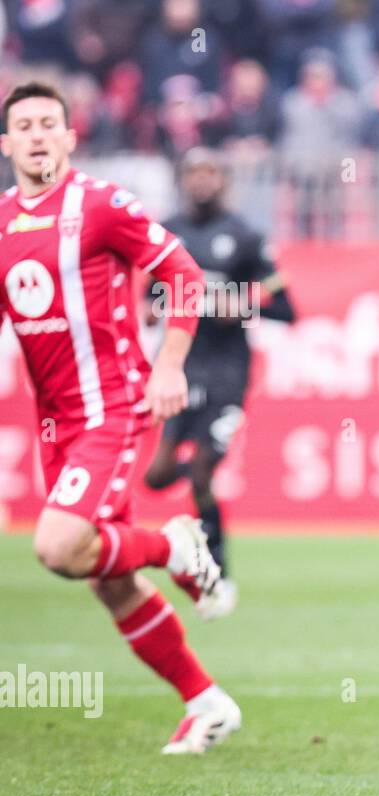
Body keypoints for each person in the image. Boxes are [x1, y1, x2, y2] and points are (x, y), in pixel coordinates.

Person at [0, 81, 241, 754]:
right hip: (56, 425)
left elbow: (183, 275)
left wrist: (169, 364)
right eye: (25, 125)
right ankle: (206, 702)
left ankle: (175, 546)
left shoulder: (102, 205)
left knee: (55, 547)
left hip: (113, 406)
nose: (39, 134)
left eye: (51, 122)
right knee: (107, 580)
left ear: (71, 137)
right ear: (7, 143)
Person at [143, 147, 297, 617]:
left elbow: (287, 309)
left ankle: (219, 575)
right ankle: (186, 538)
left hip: (228, 373)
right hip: (181, 367)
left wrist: (244, 306)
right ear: (182, 179)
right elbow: (151, 294)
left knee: (206, 473)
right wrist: (153, 308)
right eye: (193, 172)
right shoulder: (167, 231)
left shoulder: (245, 237)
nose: (201, 180)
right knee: (157, 477)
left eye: (210, 172)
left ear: (223, 180)